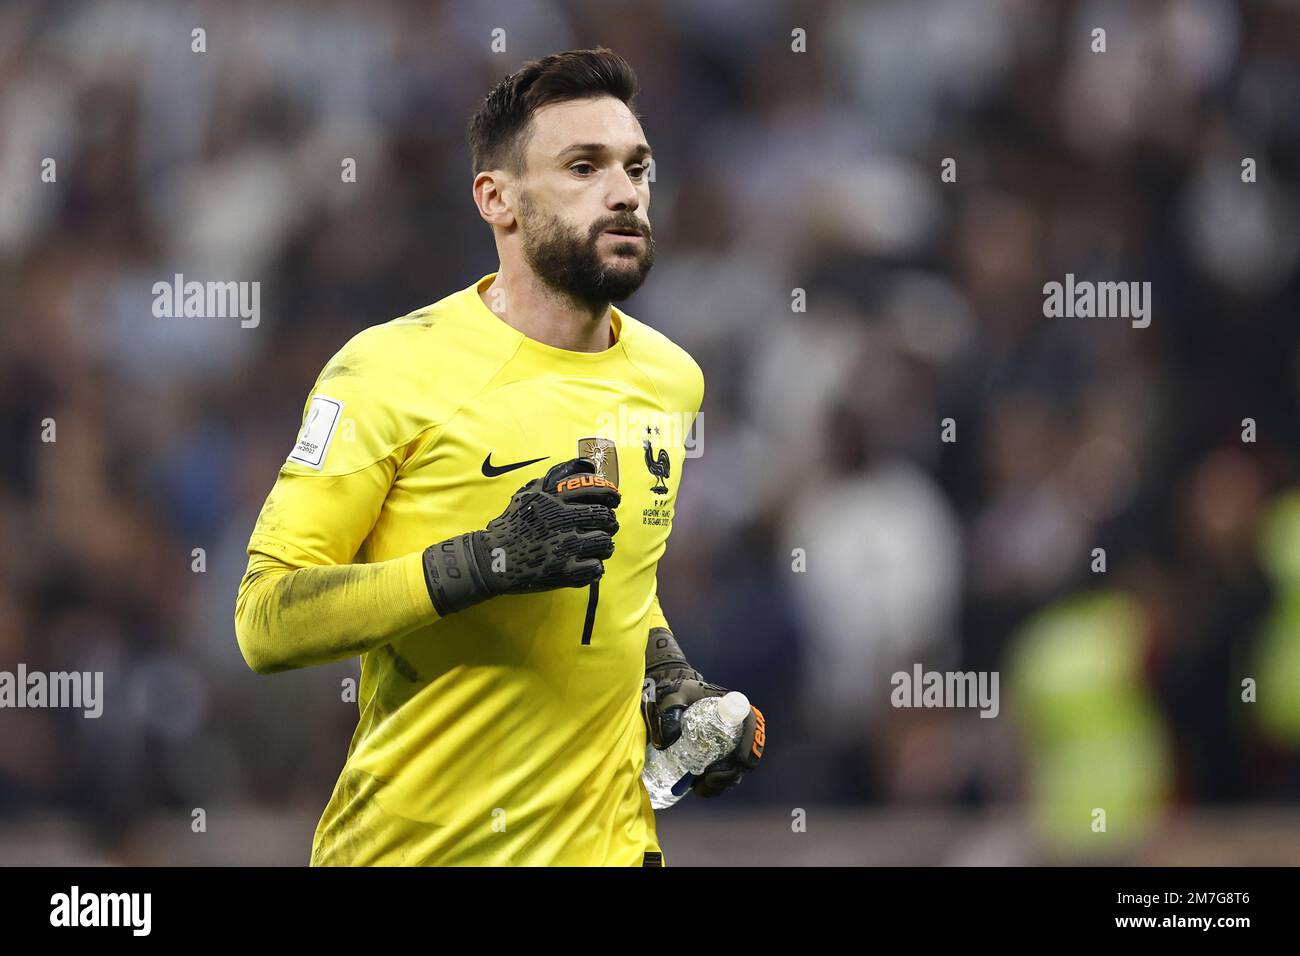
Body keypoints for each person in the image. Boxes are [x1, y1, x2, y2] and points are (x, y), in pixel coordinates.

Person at [233, 47, 763, 866]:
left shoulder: (670, 380)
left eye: (636, 167)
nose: (625, 193)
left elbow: (617, 579)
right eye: (583, 167)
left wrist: (670, 678)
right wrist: (480, 562)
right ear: (497, 199)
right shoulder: (388, 369)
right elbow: (265, 619)